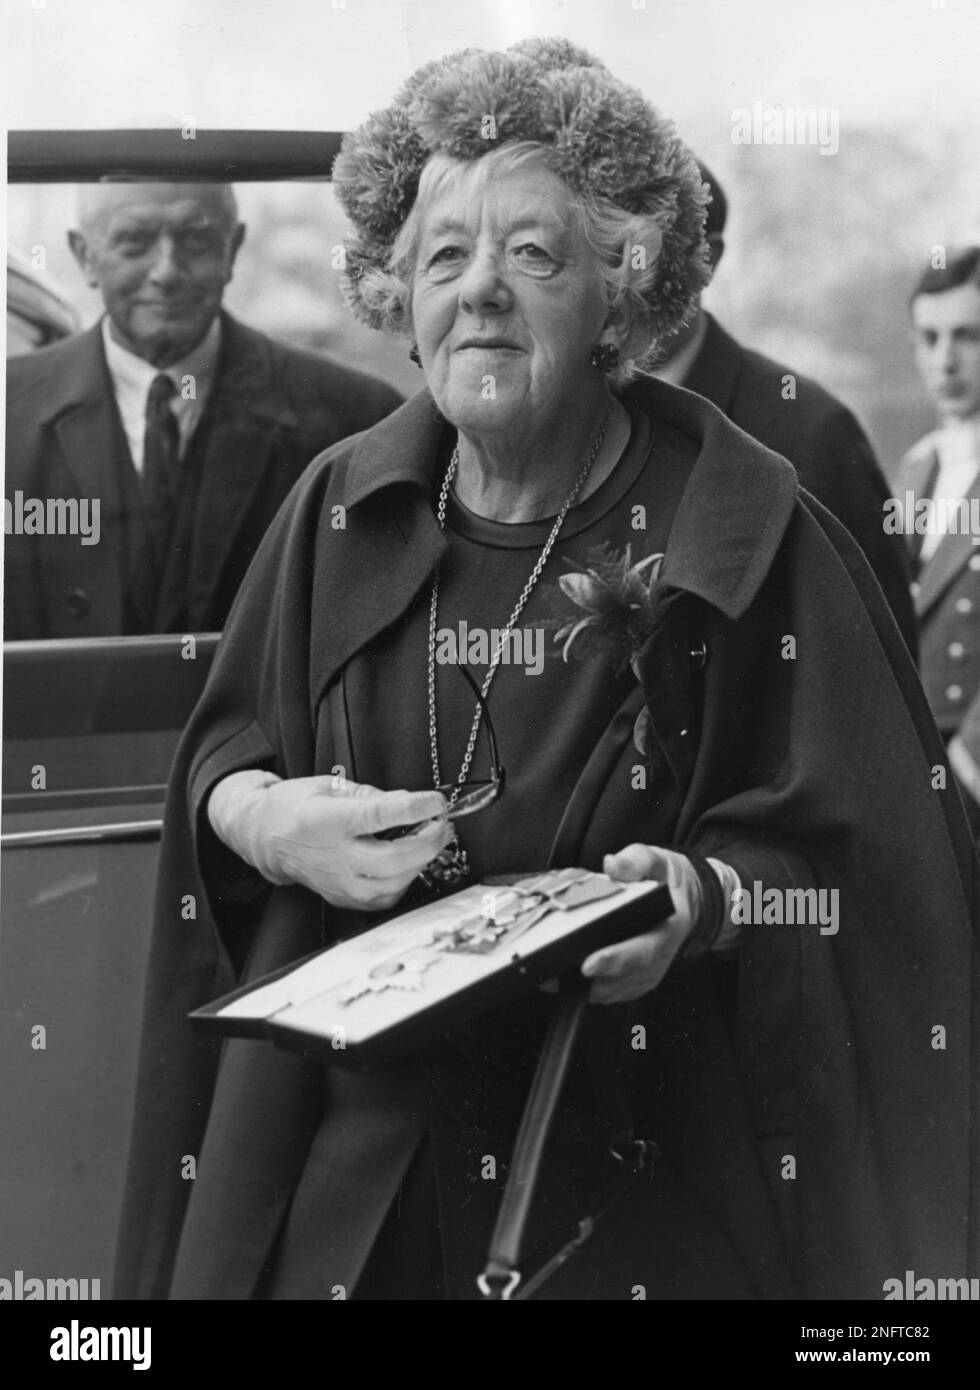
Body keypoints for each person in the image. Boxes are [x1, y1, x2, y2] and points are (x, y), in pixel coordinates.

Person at [115, 40, 977, 1302]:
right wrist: (264, 820)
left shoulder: (752, 528)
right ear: (392, 290)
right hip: (362, 1178)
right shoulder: (336, 509)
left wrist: (697, 898)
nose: (480, 294)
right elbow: (223, 755)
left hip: (640, 1180)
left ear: (623, 295)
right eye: (443, 255)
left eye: (532, 254)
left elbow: (879, 868)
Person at [4, 181, 402, 639]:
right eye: (134, 241)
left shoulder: (357, 419)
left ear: (232, 249)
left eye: (195, 239)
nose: (166, 271)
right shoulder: (8, 413)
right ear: (84, 255)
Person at [650, 163, 917, 657]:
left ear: (708, 259)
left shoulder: (811, 430)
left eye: (654, 249)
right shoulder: (573, 420)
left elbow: (877, 657)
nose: (628, 273)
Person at [897, 246, 980, 830]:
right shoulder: (917, 468)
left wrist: (963, 773)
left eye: (967, 336)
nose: (945, 361)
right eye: (928, 339)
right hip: (916, 770)